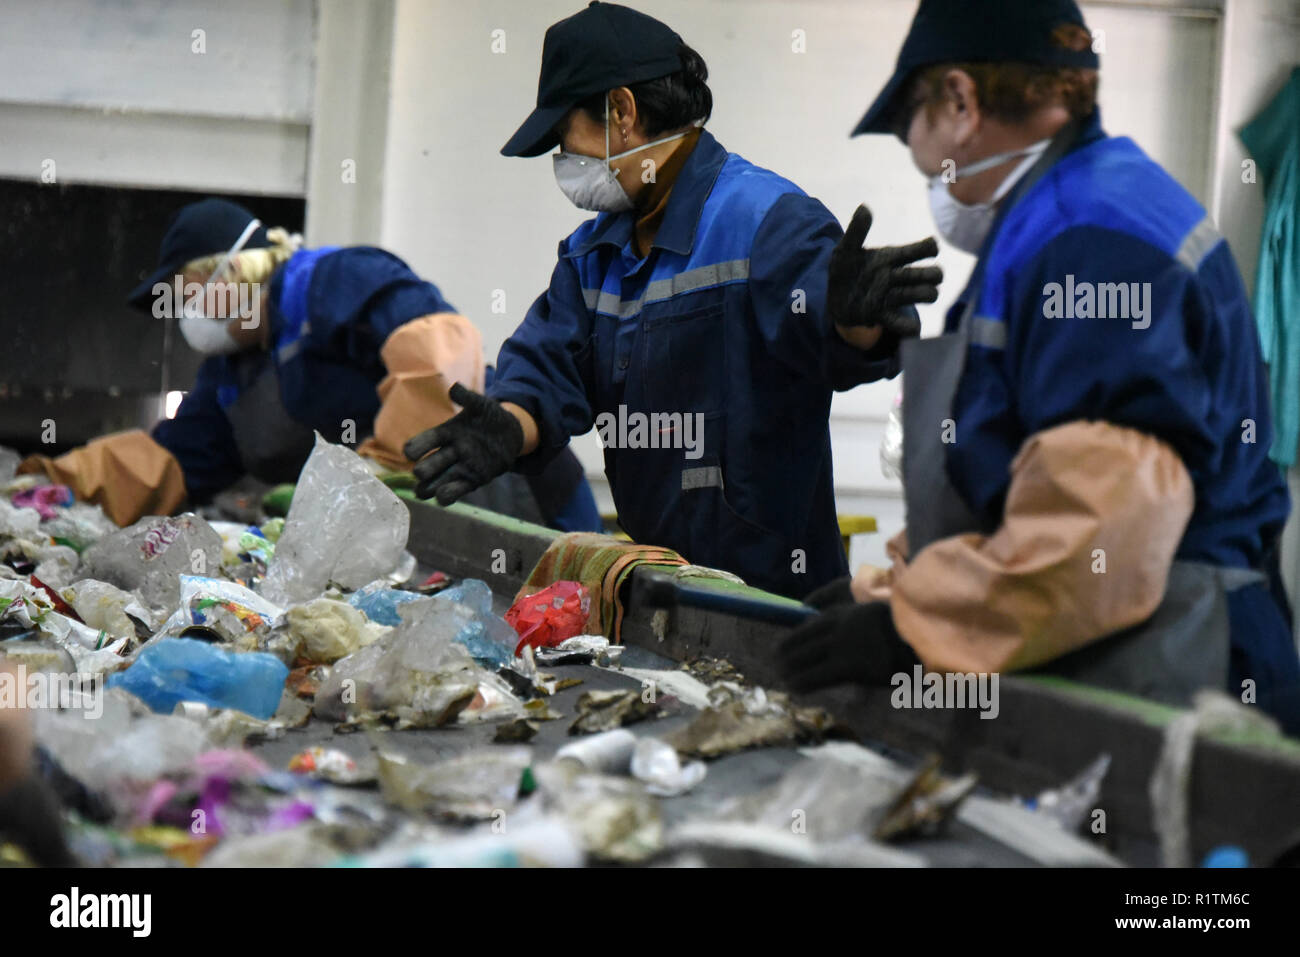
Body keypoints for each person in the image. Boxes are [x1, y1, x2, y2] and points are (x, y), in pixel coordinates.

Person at [779, 0, 1300, 735]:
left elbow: (1100, 525)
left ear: (960, 101)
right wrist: (894, 593)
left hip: (1176, 669)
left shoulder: (1091, 236)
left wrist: (910, 629)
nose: (919, 160)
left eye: (909, 126)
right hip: (1119, 646)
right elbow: (1001, 484)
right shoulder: (1061, 217)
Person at [405, 2, 941, 598]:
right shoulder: (592, 255)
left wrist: (855, 321)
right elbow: (549, 372)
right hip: (652, 590)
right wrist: (506, 428)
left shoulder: (763, 220)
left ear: (622, 112)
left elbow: (837, 337)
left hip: (775, 600)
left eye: (566, 136)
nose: (564, 159)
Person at [18, 199, 602, 533]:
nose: (184, 313)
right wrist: (46, 486)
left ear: (238, 268)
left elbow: (438, 349)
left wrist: (374, 479)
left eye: (188, 291)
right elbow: (164, 461)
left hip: (514, 500)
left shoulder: (330, 281)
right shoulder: (230, 381)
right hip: (408, 539)